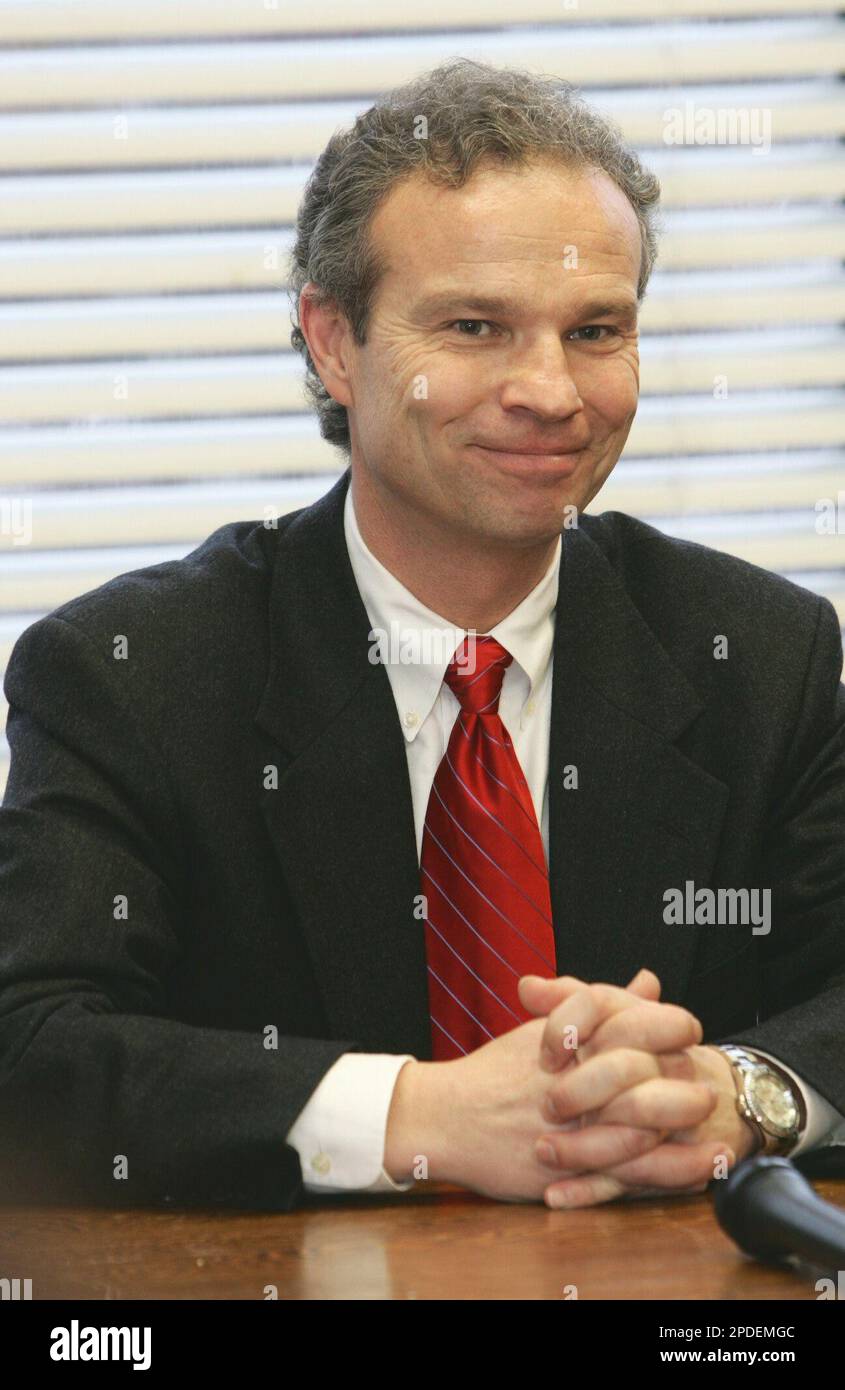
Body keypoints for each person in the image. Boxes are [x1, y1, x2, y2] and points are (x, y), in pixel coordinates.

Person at [1, 60, 843, 1213]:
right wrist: (417, 1115)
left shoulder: (758, 653)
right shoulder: (131, 676)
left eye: (594, 330)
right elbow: (32, 1046)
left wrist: (734, 1092)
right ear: (331, 342)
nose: (550, 391)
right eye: (474, 326)